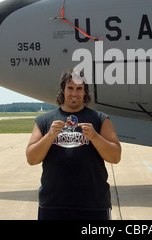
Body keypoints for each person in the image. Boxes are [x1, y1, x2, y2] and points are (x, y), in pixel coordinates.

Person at [26, 69, 122, 220]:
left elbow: (115, 157)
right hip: (53, 204)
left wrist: (95, 137)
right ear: (63, 91)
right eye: (70, 88)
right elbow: (31, 159)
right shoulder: (45, 121)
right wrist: (50, 136)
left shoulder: (100, 119)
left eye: (79, 89)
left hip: (93, 204)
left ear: (85, 92)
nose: (74, 93)